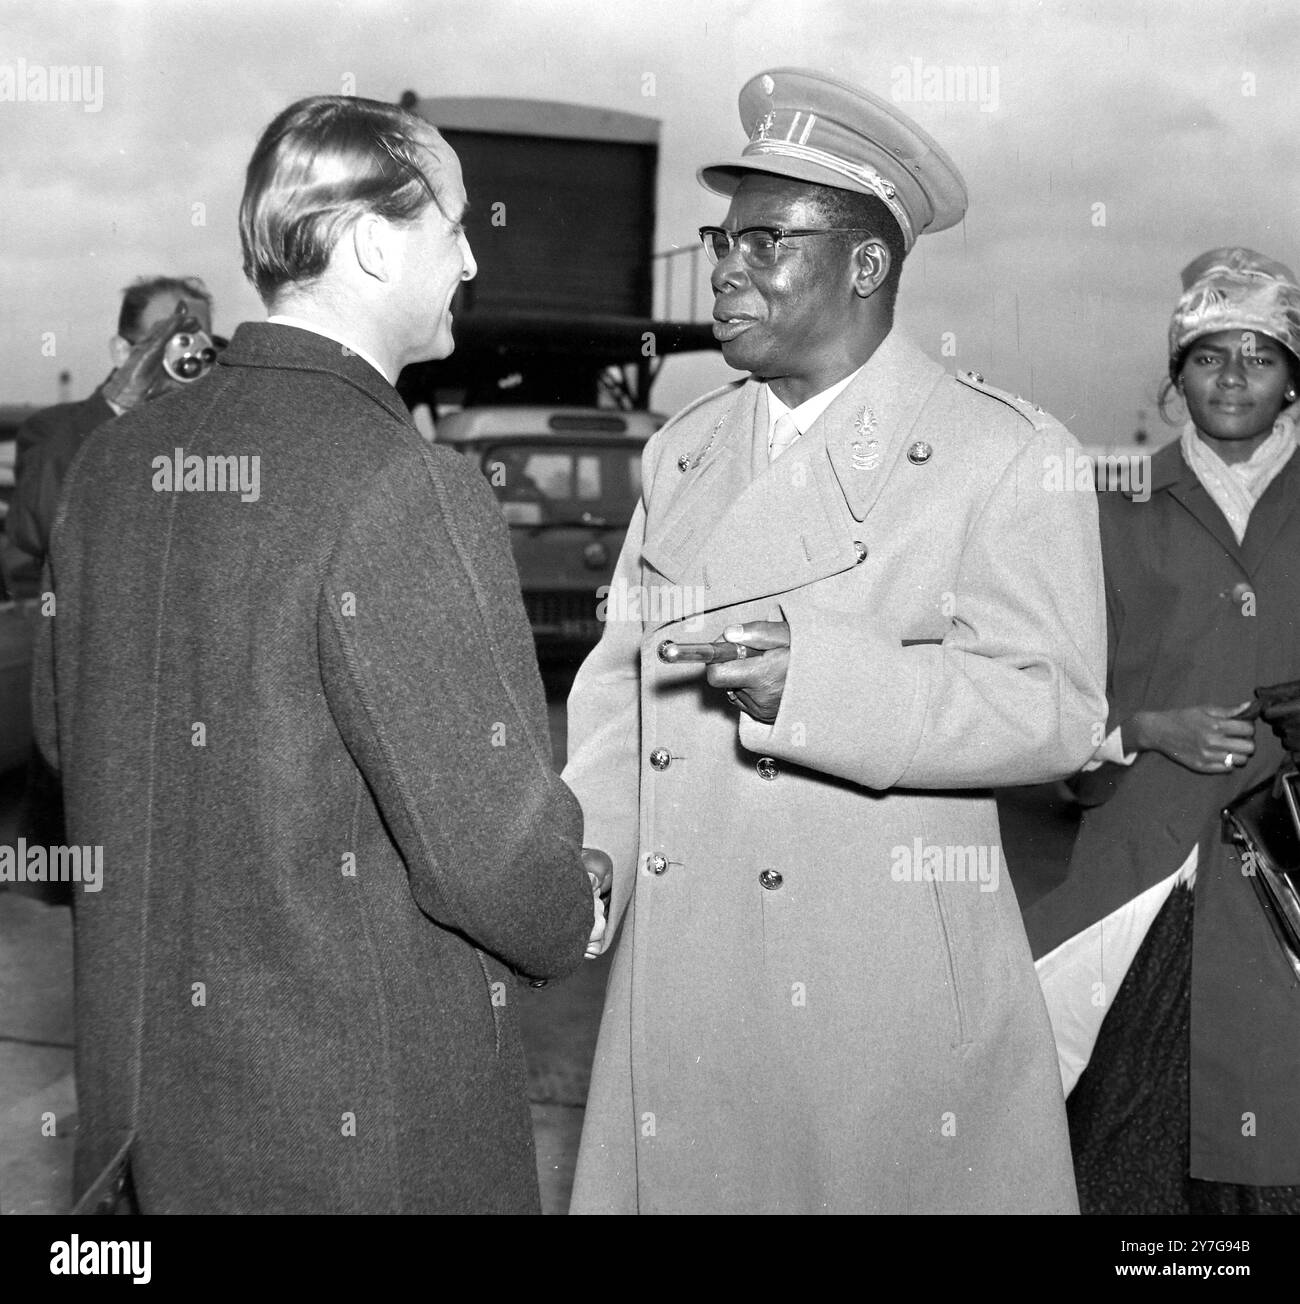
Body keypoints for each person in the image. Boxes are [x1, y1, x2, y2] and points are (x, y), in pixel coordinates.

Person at [32, 94, 598, 1214]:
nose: (473, 259)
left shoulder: (113, 464)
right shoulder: (402, 482)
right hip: (354, 1133)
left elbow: (70, 738)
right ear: (379, 244)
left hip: (149, 1125)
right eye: (455, 227)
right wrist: (575, 902)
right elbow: (487, 847)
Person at [562, 67, 1107, 1215]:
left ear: (865, 264)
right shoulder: (686, 450)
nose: (724, 268)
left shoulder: (999, 453)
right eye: (722, 237)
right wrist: (596, 843)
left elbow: (1052, 705)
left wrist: (818, 682)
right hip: (686, 977)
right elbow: (621, 689)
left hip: (880, 991)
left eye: (766, 241)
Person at [1026, 247, 1300, 1214]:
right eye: (1208, 355)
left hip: (1284, 886)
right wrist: (1143, 725)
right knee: (1118, 1155)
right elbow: (1037, 698)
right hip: (1134, 878)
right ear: (1174, 377)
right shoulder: (1105, 508)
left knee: (1270, 1164)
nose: (1233, 377)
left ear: (1293, 380)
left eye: (1260, 355)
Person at [0, 276, 216, 601]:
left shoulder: (215, 442)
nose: (182, 360)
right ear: (121, 351)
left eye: (197, 344)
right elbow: (38, 531)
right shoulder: (53, 432)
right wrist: (117, 403)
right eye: (164, 343)